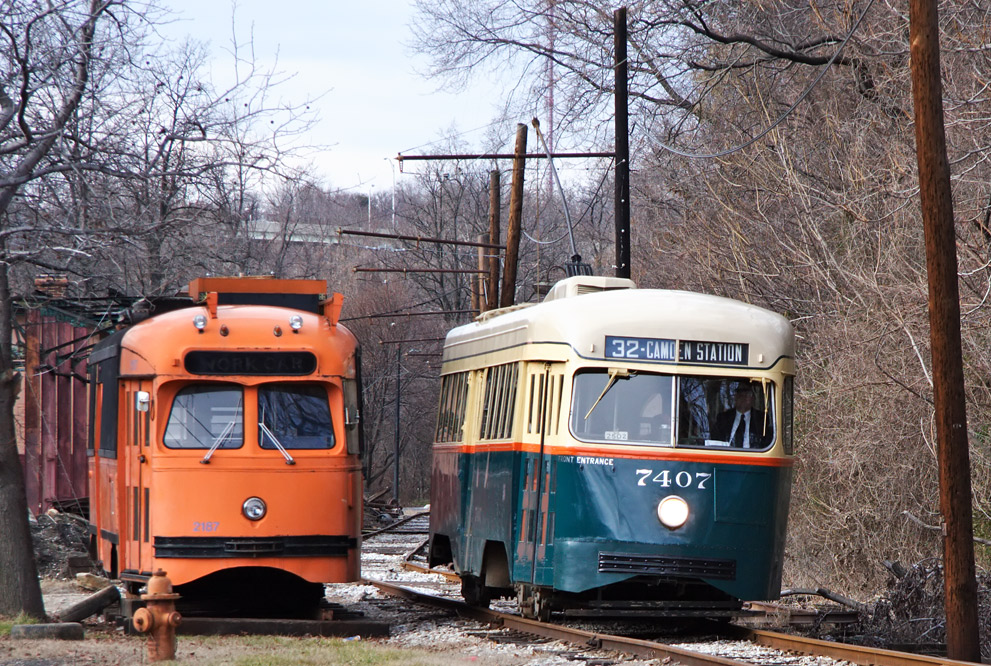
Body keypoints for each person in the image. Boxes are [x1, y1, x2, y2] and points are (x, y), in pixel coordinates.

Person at [711, 382, 771, 448]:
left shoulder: (762, 419)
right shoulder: (723, 418)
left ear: (753, 398)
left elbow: (766, 445)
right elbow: (715, 443)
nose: (743, 396)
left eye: (747, 393)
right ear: (735, 397)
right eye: (739, 393)